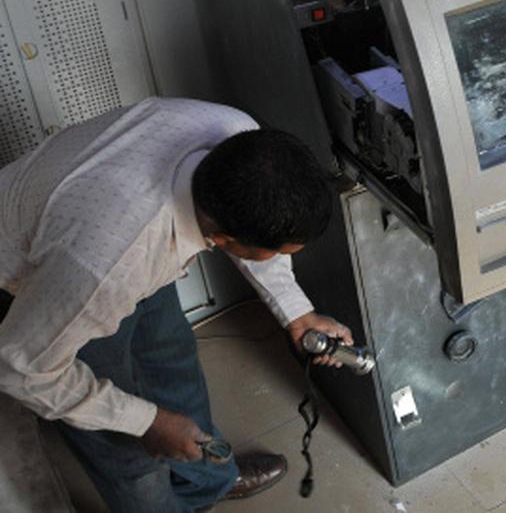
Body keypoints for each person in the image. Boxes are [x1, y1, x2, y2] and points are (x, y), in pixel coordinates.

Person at [0, 97, 350, 512]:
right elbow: (20, 368)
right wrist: (145, 422)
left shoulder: (236, 135)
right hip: (35, 286)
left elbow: (258, 224)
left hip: (116, 234)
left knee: (171, 358)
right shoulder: (109, 267)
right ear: (223, 239)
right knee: (125, 445)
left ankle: (208, 481)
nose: (277, 258)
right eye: (273, 252)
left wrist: (298, 313)